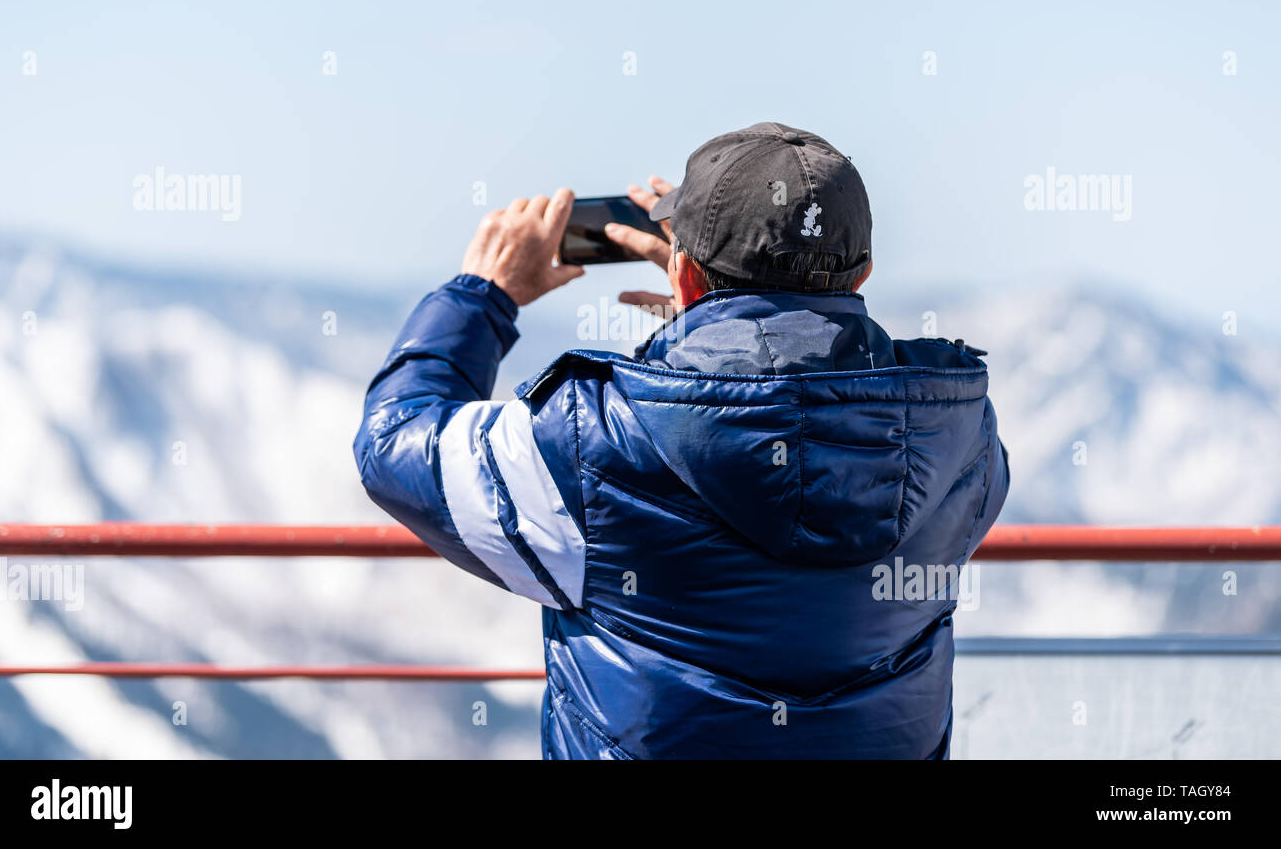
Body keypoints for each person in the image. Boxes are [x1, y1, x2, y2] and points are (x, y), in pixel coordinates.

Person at [353, 122, 1010, 758]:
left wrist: (482, 296)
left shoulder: (593, 441)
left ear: (685, 274)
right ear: (862, 273)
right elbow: (811, 416)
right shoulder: (959, 437)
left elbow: (393, 442)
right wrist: (724, 338)